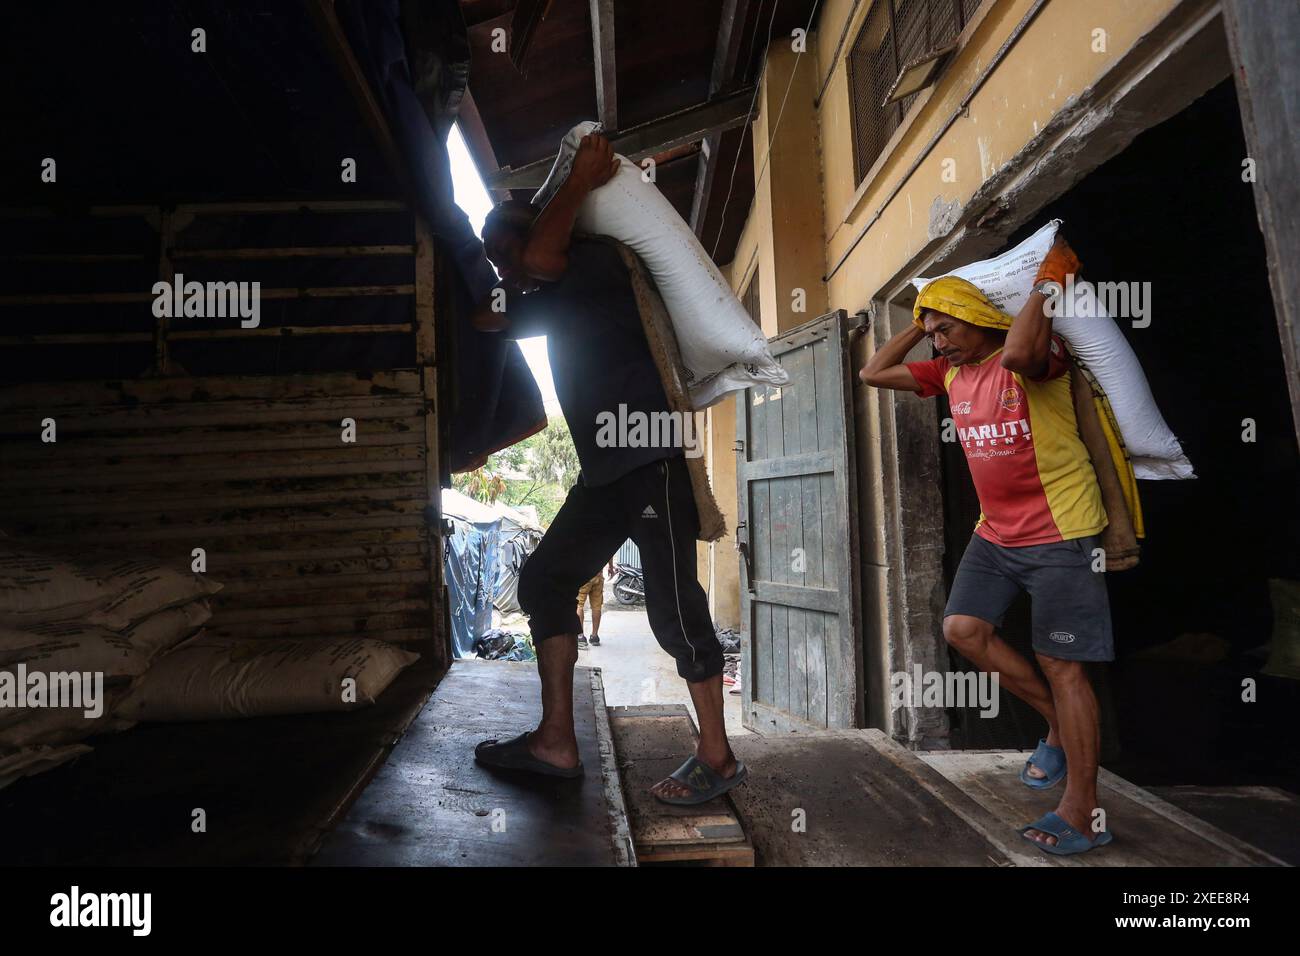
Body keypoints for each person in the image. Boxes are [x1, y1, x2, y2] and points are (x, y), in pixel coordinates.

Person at [469, 132, 746, 805]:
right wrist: (505, 274)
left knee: (674, 610)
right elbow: (488, 320)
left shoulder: (595, 261)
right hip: (607, 472)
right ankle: (556, 742)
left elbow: (540, 254)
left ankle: (718, 754)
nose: (509, 260)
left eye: (508, 243)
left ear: (545, 226)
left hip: (648, 455)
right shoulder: (548, 292)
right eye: (495, 254)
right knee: (543, 580)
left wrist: (572, 189)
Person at [859, 237, 1114, 856]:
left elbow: (1023, 346)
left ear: (980, 321)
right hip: (994, 534)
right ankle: (1055, 724)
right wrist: (923, 323)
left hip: (1060, 529)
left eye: (949, 330)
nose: (940, 342)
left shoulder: (1038, 356)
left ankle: (1081, 809)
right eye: (934, 333)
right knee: (963, 630)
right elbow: (872, 372)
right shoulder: (949, 371)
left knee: (1064, 666)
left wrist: (1046, 284)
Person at [575, 558, 614, 647]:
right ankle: (594, 636)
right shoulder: (600, 543)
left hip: (583, 575)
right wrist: (610, 567)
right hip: (598, 575)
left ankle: (580, 637)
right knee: (597, 606)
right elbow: (609, 552)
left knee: (579, 605)